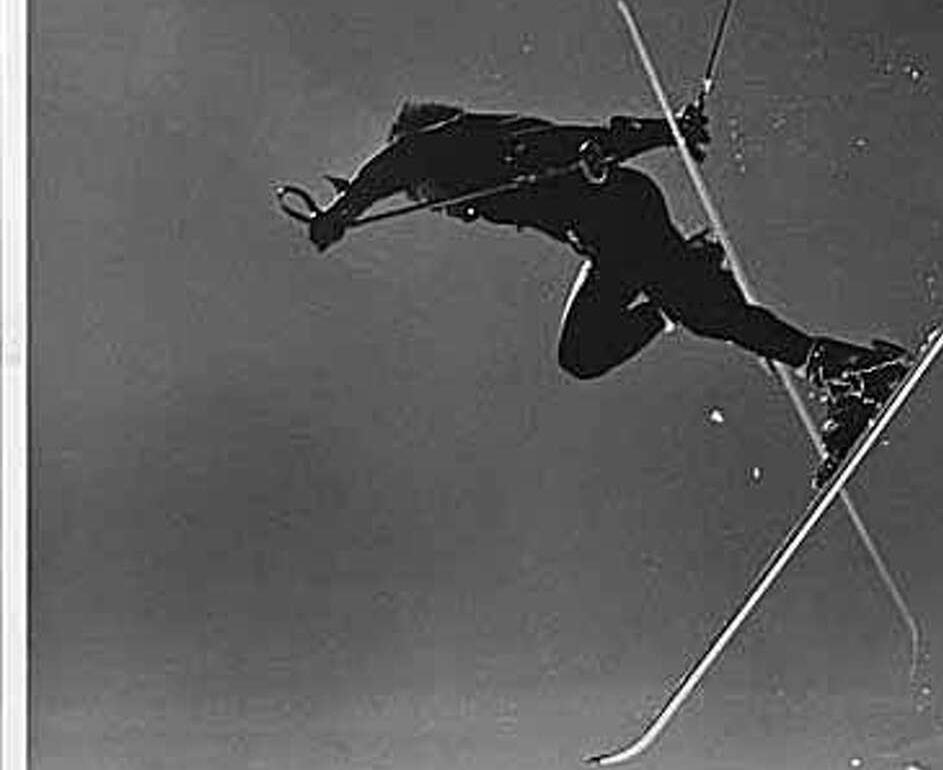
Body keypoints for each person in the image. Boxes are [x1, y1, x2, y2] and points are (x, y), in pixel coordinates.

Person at [306, 98, 910, 485]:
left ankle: (844, 367)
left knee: (667, 325)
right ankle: (845, 365)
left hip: (618, 214)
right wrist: (664, 133)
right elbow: (591, 140)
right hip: (610, 230)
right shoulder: (473, 169)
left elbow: (409, 159)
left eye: (426, 195)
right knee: (660, 330)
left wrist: (343, 210)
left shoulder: (452, 145)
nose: (435, 206)